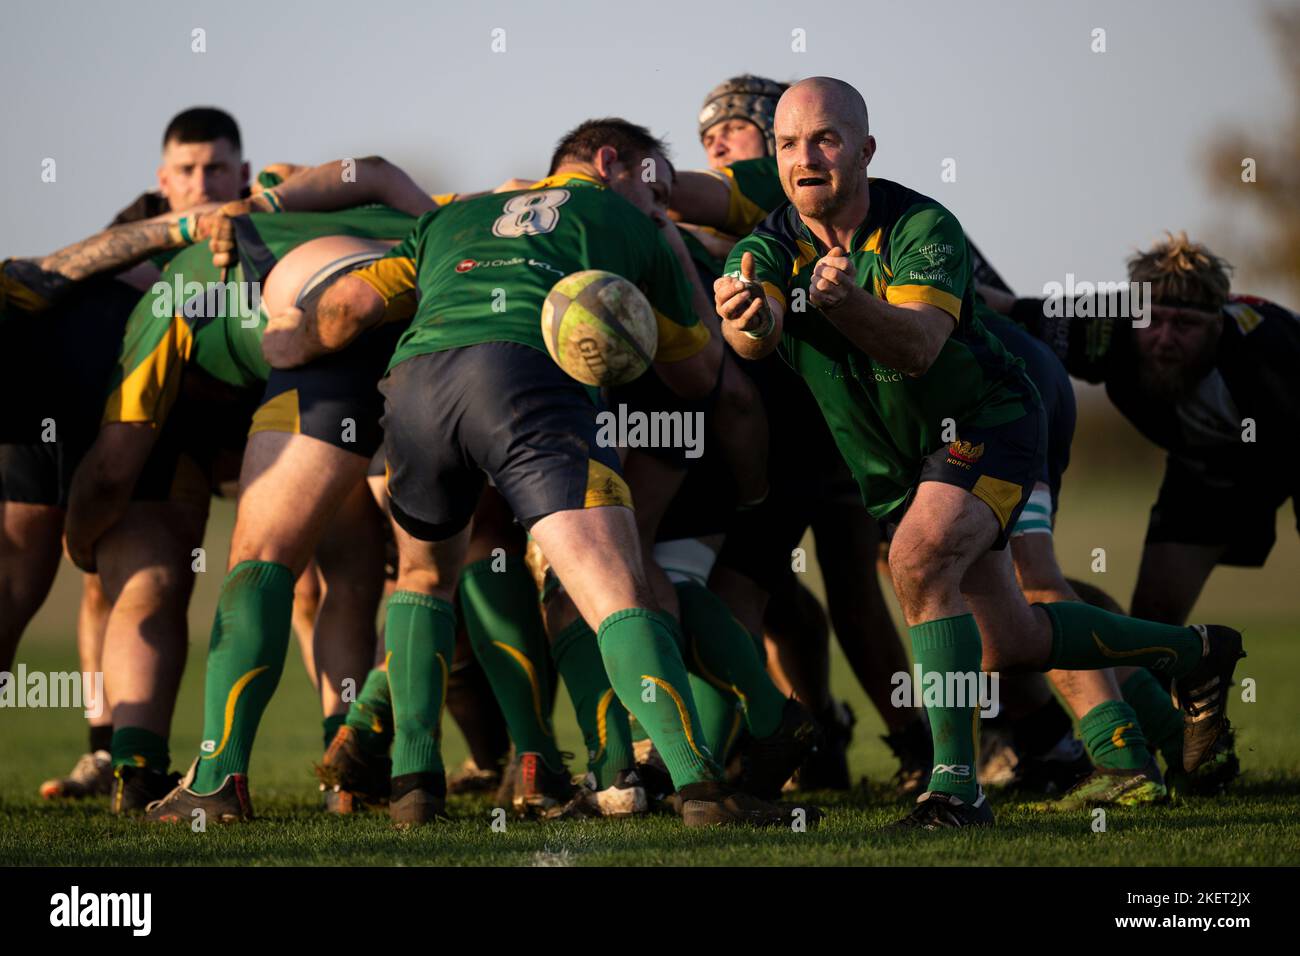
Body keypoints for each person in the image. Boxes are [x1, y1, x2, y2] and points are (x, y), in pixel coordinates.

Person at [715, 77, 1245, 829]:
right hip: (897, 461)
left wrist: (848, 302)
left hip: (987, 421)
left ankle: (956, 789)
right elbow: (753, 330)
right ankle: (1192, 655)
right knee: (1008, 642)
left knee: (919, 560)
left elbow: (921, 347)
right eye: (790, 144)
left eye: (827, 139)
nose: (807, 158)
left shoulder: (922, 226)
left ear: (865, 149)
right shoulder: (767, 244)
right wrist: (746, 314)